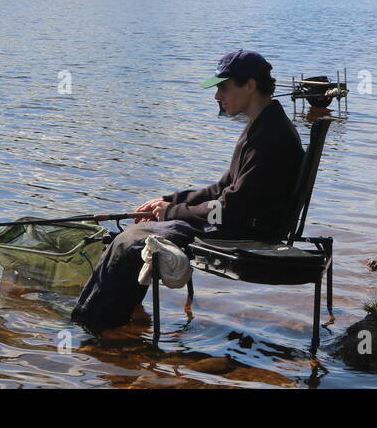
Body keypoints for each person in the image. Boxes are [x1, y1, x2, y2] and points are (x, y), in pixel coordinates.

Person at [71, 49, 304, 332]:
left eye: (223, 87)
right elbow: (222, 188)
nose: (217, 96)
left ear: (251, 85)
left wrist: (171, 212)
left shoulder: (269, 136)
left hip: (246, 231)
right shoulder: (263, 125)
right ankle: (121, 325)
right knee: (128, 238)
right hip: (241, 222)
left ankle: (91, 325)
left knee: (128, 242)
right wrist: (170, 201)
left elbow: (231, 207)